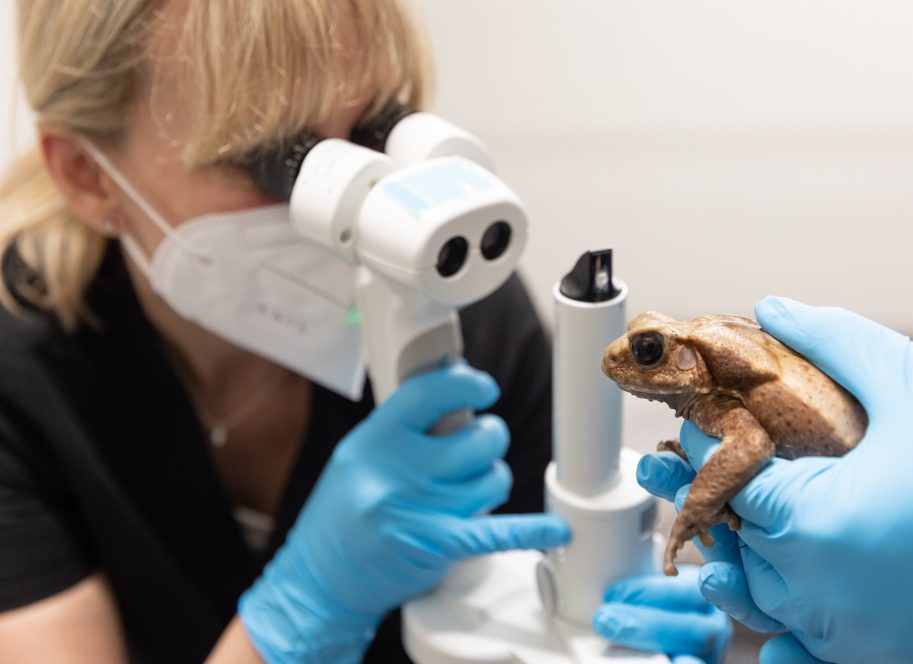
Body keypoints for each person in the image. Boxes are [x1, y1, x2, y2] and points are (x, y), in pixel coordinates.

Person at [0, 2, 731, 663]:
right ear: (87, 175)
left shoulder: (467, 304)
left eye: (373, 129)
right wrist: (298, 616)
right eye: (274, 159)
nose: (354, 203)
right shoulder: (21, 375)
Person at [635, 296, 913, 663]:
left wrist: (697, 505)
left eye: (647, 350)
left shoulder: (719, 392)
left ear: (687, 359)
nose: (622, 357)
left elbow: (749, 445)